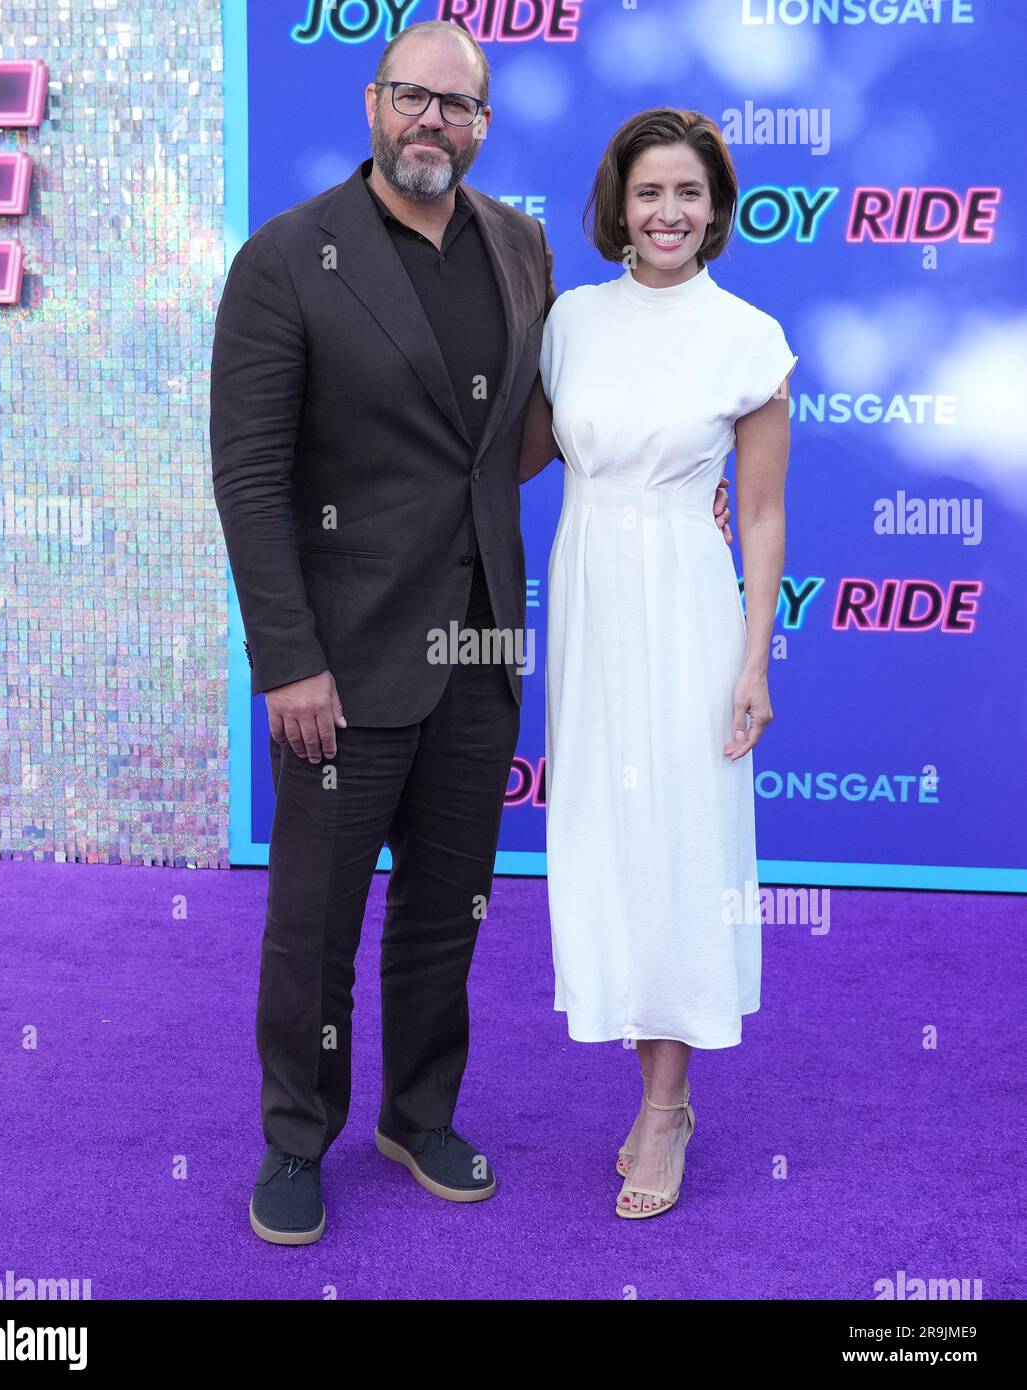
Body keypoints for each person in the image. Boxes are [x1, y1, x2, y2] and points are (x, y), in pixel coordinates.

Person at [212, 21, 733, 1245]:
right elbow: (247, 476)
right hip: (337, 658)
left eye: (457, 104)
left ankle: (417, 1111)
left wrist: (687, 460)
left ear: (484, 122)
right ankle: (297, 1137)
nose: (431, 120)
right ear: (373, 103)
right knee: (315, 919)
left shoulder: (519, 245)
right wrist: (286, 656)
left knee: (448, 910)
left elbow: (552, 419)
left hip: (482, 648)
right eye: (411, 97)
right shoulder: (287, 259)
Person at [519, 108, 796, 1219]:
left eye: (687, 193)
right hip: (588, 597)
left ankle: (664, 1107)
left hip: (687, 602)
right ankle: (648, 1085)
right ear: (616, 208)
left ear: (714, 208)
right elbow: (519, 451)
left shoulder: (747, 336)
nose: (667, 213)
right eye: (647, 194)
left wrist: (752, 662)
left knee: (680, 845)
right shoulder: (571, 320)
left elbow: (764, 516)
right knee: (606, 842)